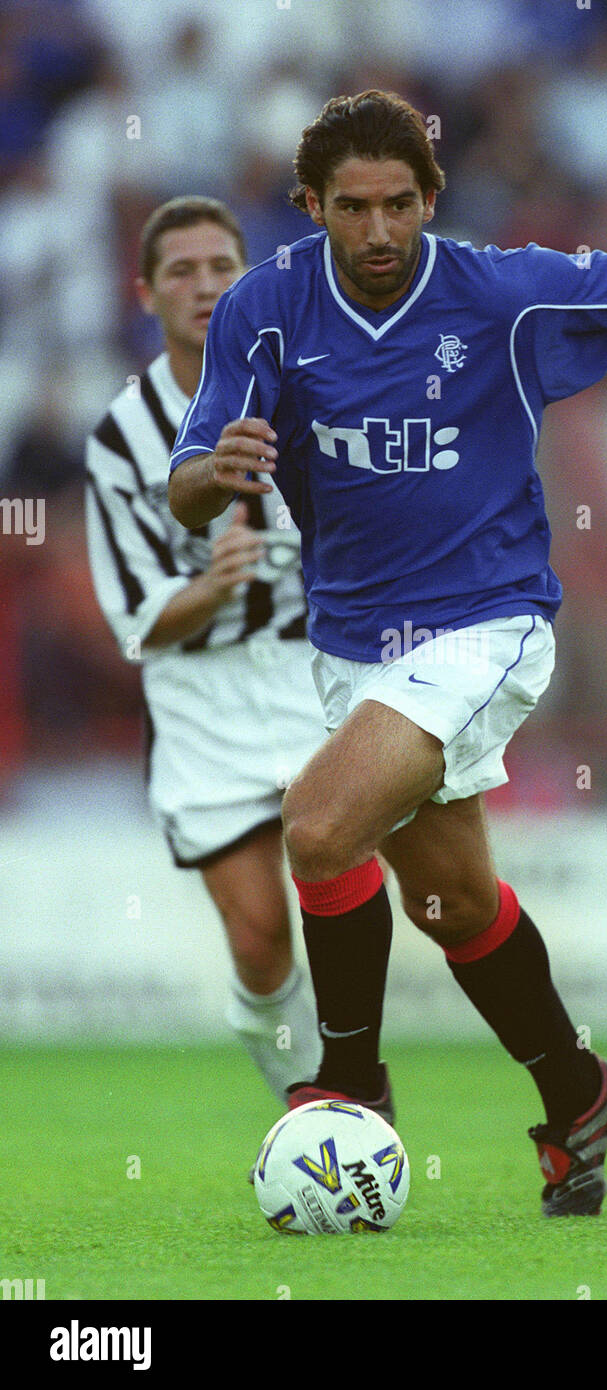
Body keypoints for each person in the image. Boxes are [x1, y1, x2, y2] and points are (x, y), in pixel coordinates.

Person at [167, 93, 607, 1217]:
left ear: (430, 200)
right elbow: (187, 477)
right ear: (311, 208)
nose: (380, 229)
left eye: (400, 204)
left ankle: (348, 1087)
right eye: (353, 208)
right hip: (350, 643)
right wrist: (218, 471)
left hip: (487, 625)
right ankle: (577, 1091)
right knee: (450, 899)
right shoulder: (264, 311)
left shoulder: (497, 292)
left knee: (317, 823)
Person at [86, 196, 325, 1102]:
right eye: (180, 271)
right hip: (202, 698)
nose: (204, 285)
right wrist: (211, 588)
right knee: (261, 935)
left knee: (347, 892)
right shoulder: (121, 435)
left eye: (221, 265)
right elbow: (135, 624)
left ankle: (349, 1090)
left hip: (317, 673)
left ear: (247, 275)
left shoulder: (307, 384)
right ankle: (304, 1099)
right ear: (145, 293)